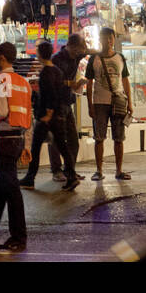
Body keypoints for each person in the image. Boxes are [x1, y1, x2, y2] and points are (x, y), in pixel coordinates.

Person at [0, 41, 30, 252]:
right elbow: (28, 116)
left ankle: (18, 237)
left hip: (6, 138)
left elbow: (1, 112)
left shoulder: (1, 79)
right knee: (2, 187)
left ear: (2, 57)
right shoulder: (23, 82)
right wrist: (27, 145)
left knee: (10, 189)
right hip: (18, 138)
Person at [21, 40, 79, 190]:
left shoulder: (46, 72)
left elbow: (51, 94)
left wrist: (48, 114)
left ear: (40, 54)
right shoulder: (56, 71)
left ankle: (30, 178)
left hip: (47, 118)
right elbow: (59, 92)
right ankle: (71, 176)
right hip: (56, 116)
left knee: (36, 147)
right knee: (62, 147)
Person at [86, 26, 133, 181]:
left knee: (119, 138)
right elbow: (89, 83)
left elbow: (125, 81)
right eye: (104, 38)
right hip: (99, 102)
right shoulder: (94, 59)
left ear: (113, 39)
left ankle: (119, 171)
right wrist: (90, 105)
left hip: (118, 101)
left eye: (110, 38)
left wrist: (130, 103)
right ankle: (99, 170)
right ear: (100, 40)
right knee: (99, 137)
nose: (108, 41)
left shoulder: (120, 58)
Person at [49, 33, 87, 182]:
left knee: (73, 139)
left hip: (67, 102)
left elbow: (89, 51)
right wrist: (73, 84)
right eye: (79, 48)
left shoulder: (76, 56)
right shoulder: (57, 59)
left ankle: (69, 169)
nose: (81, 52)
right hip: (56, 102)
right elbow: (54, 82)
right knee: (56, 139)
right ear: (72, 46)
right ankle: (56, 170)